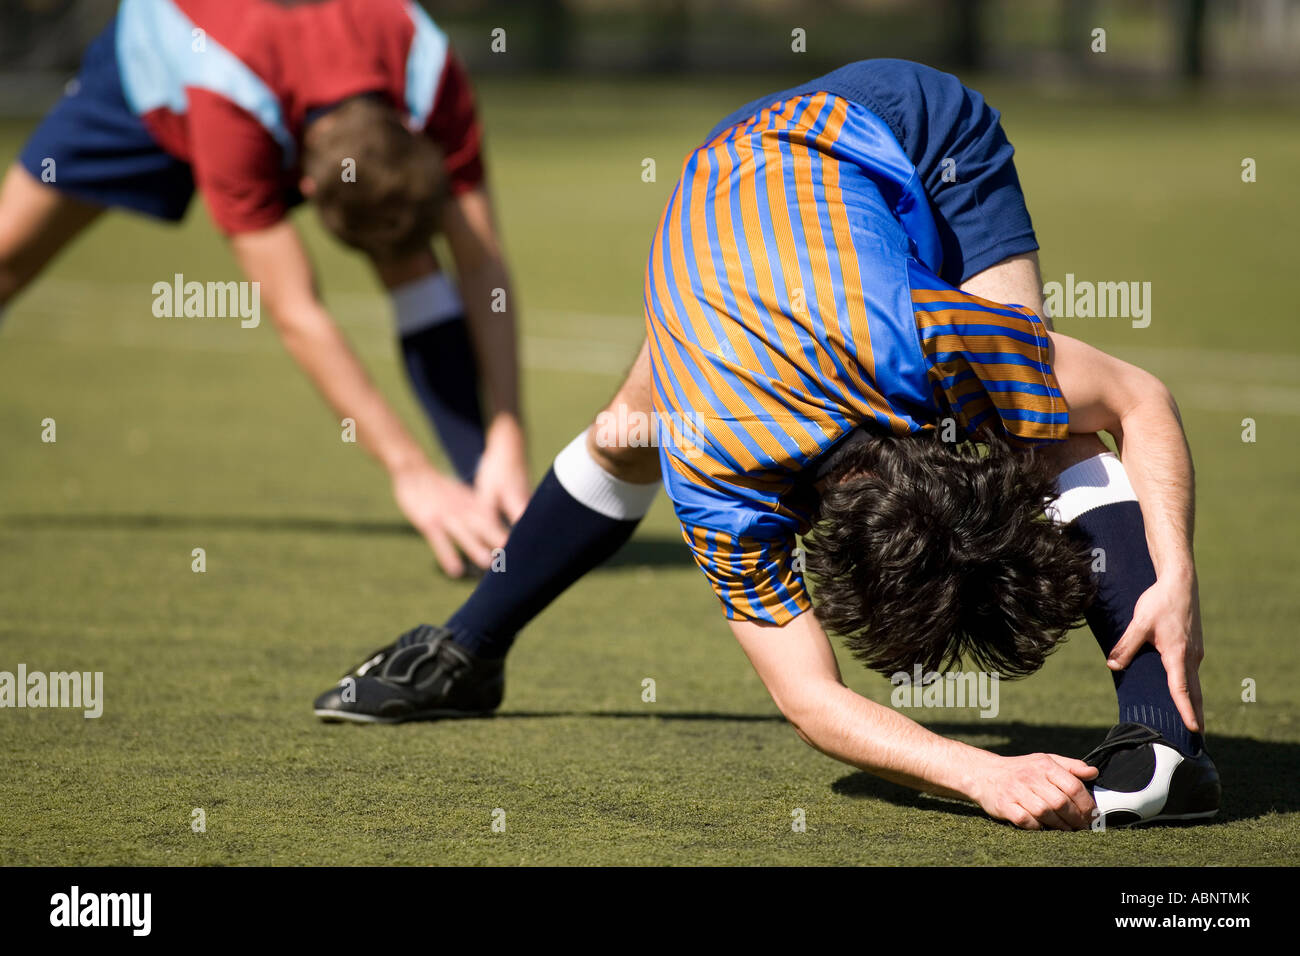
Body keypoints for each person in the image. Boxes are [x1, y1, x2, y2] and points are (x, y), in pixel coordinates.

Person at [313, 60, 1219, 830]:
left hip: (839, 180)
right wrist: (978, 770)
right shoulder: (723, 464)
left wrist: (1172, 576)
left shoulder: (930, 343)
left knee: (1034, 425)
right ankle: (466, 651)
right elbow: (810, 702)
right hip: (822, 166)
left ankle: (1162, 738)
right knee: (633, 438)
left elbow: (1139, 401)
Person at [0, 0, 529, 576]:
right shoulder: (230, 103)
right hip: (154, 78)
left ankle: (487, 505)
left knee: (406, 256)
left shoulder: (428, 71)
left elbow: (481, 262)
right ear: (299, 184)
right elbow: (296, 310)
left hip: (286, 97)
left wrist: (510, 432)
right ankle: (449, 500)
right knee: (9, 258)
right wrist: (410, 472)